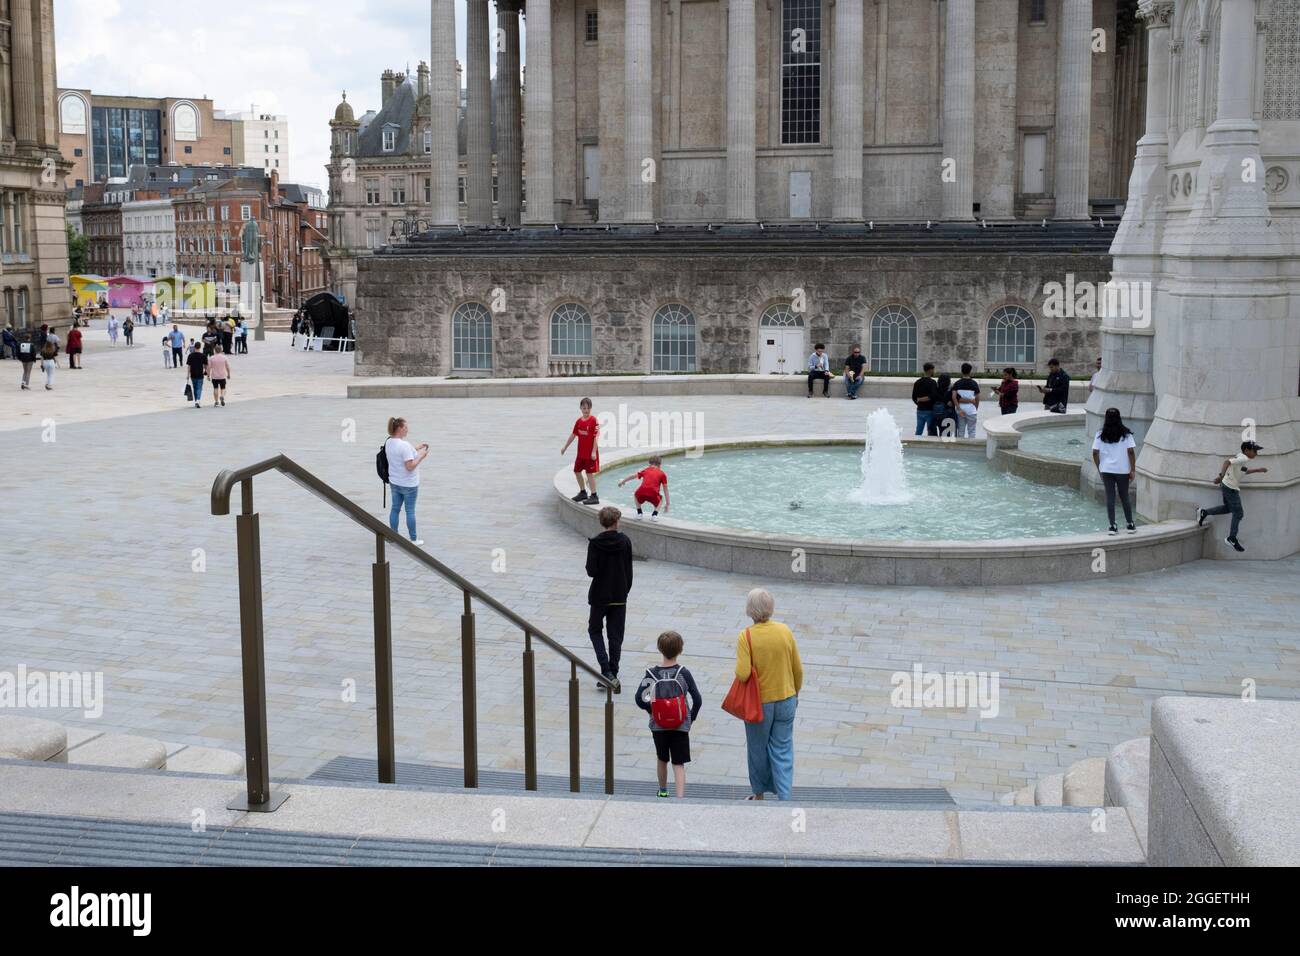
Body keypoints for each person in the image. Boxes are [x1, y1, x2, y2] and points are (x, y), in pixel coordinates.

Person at [735, 588, 803, 801]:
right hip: (786, 699)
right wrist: (795, 693)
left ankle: (759, 796)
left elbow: (743, 673)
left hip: (759, 705)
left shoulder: (746, 636)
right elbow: (798, 669)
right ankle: (785, 798)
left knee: (757, 750)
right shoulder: (784, 631)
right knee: (783, 749)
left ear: (750, 610)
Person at [634, 631, 704, 799]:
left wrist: (652, 711)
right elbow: (698, 699)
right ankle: (680, 798)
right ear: (680, 650)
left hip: (659, 726)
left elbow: (639, 698)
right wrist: (690, 717)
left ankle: (663, 791)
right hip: (680, 725)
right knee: (678, 763)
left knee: (662, 758)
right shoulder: (683, 673)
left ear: (659, 649)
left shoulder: (651, 674)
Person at [586, 505, 633, 693]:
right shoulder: (625, 541)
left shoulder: (595, 543)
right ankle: (613, 671)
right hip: (619, 595)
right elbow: (629, 570)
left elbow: (591, 571)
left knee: (595, 630)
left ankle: (606, 671)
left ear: (601, 522)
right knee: (615, 636)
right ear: (617, 521)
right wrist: (625, 590)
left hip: (599, 596)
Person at [1198, 441, 1268, 553]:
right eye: (1255, 451)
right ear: (1246, 450)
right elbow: (1227, 462)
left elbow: (1243, 471)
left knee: (1229, 508)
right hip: (1230, 487)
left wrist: (1258, 470)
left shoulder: (1241, 458)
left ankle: (1204, 512)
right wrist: (1220, 476)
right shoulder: (1243, 458)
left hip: (1226, 485)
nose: (1256, 453)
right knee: (1239, 513)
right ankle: (1231, 538)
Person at [1092, 408, 1138, 535]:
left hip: (1106, 470)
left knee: (1110, 498)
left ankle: (1112, 526)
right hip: (1123, 470)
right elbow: (1130, 452)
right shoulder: (1126, 434)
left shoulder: (1100, 434)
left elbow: (1095, 452)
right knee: (1125, 497)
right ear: (1119, 418)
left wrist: (1099, 467)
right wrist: (1132, 469)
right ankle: (1130, 524)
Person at [385, 416, 429, 545]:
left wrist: (417, 447)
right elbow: (409, 466)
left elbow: (403, 453)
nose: (407, 430)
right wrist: (422, 456)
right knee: (410, 511)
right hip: (409, 484)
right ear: (399, 428)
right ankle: (413, 539)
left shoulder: (389, 442)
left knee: (395, 509)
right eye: (405, 427)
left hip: (395, 482)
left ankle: (393, 537)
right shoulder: (404, 445)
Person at [561, 397, 601, 505]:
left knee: (589, 473)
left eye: (588, 408)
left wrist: (593, 452)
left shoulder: (594, 421)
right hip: (581, 454)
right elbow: (573, 434)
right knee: (577, 471)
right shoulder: (579, 421)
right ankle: (583, 492)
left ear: (591, 408)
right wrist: (565, 447)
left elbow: (596, 437)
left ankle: (594, 495)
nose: (586, 410)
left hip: (590, 454)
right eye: (584, 408)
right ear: (580, 408)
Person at [911, 362, 941, 435]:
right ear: (930, 370)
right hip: (930, 410)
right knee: (930, 431)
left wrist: (919, 401)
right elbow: (933, 396)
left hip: (920, 410)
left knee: (918, 431)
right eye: (933, 370)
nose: (934, 371)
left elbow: (914, 397)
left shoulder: (917, 382)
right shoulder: (933, 383)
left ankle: (916, 444)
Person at [952, 363, 981, 438]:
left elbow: (954, 397)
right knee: (972, 431)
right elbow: (977, 397)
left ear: (961, 371)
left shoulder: (957, 383)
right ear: (970, 371)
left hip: (960, 409)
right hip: (971, 410)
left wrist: (958, 408)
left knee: (961, 431)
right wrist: (976, 408)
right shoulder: (974, 383)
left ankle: (960, 447)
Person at [930, 372, 953, 437]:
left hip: (936, 413)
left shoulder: (935, 388)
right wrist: (947, 402)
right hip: (947, 413)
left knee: (933, 432)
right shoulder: (950, 389)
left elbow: (934, 396)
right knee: (946, 434)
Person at [185, 343, 208, 408]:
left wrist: (188, 374)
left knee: (195, 388)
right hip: (200, 374)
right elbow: (206, 365)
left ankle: (196, 401)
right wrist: (206, 371)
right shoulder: (203, 355)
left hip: (193, 374)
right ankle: (198, 400)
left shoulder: (190, 355)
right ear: (200, 347)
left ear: (194, 347)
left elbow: (189, 366)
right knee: (199, 388)